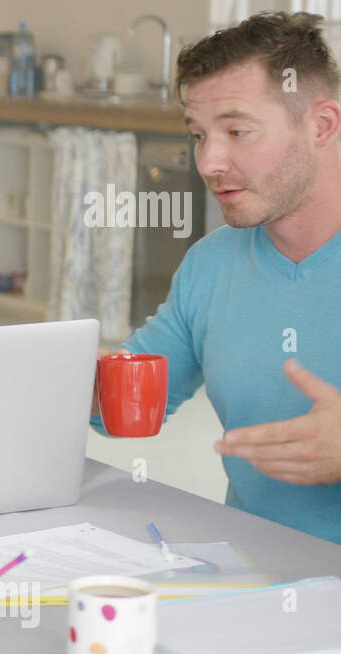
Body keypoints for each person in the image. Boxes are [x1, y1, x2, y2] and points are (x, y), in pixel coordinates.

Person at [95, 12, 341, 543]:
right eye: (199, 135)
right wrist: (32, 378)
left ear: (321, 124)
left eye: (237, 131)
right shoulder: (213, 264)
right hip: (253, 575)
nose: (209, 161)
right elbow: (134, 398)